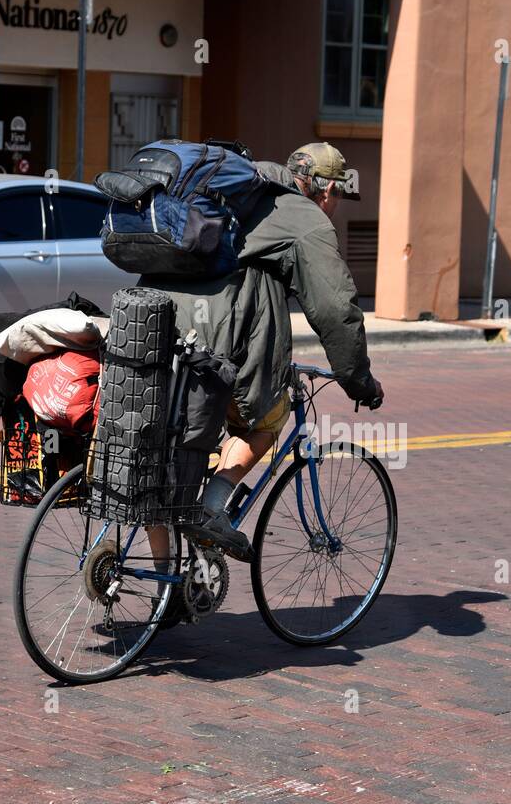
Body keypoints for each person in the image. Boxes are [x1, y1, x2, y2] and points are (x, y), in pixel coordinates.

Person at [153, 141, 385, 563]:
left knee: (161, 448)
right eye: (337, 199)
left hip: (155, 319)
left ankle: (164, 583)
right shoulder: (305, 218)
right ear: (328, 191)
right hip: (214, 340)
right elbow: (336, 308)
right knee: (265, 415)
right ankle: (212, 507)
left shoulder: (243, 185)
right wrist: (357, 379)